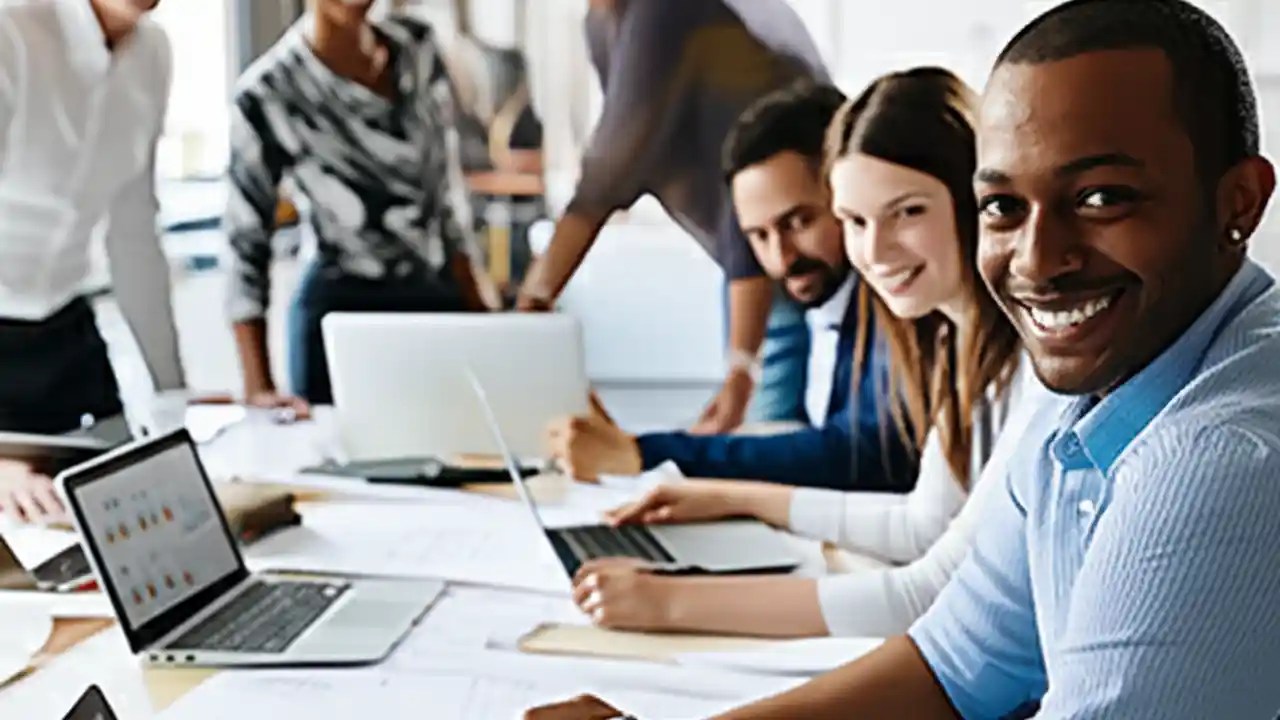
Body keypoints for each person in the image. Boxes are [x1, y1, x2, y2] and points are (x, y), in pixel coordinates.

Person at [525, 0, 1280, 717]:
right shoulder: (1093, 377)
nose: (1039, 261)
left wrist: (677, 585)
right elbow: (953, 664)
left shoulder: (1216, 453)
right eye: (1004, 207)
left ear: (1239, 202)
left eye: (1101, 198)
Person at [558, 68, 1041, 639]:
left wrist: (671, 603)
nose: (876, 250)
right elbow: (923, 525)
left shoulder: (1033, 362)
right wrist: (721, 497)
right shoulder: (951, 338)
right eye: (856, 222)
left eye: (907, 212)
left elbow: (933, 592)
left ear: (975, 198)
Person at [547, 82, 915, 492]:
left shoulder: (894, 306)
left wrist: (649, 453)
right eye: (759, 235)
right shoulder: (826, 303)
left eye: (799, 222)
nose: (782, 256)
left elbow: (861, 452)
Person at [517, 0, 830, 434]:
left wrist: (533, 301)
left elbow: (610, 170)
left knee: (774, 443)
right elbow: (631, 156)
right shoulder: (603, 22)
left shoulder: (665, 11)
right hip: (757, 255)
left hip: (788, 259)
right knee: (765, 442)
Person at [225, 0, 496, 411]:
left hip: (437, 300)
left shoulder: (417, 47)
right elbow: (245, 244)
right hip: (340, 318)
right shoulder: (267, 90)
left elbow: (446, 195)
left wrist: (485, 316)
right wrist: (258, 386)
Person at [0, 0, 183, 523]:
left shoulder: (153, 53)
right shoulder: (11, 34)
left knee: (134, 504)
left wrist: (174, 394)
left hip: (66, 333)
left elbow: (133, 234)